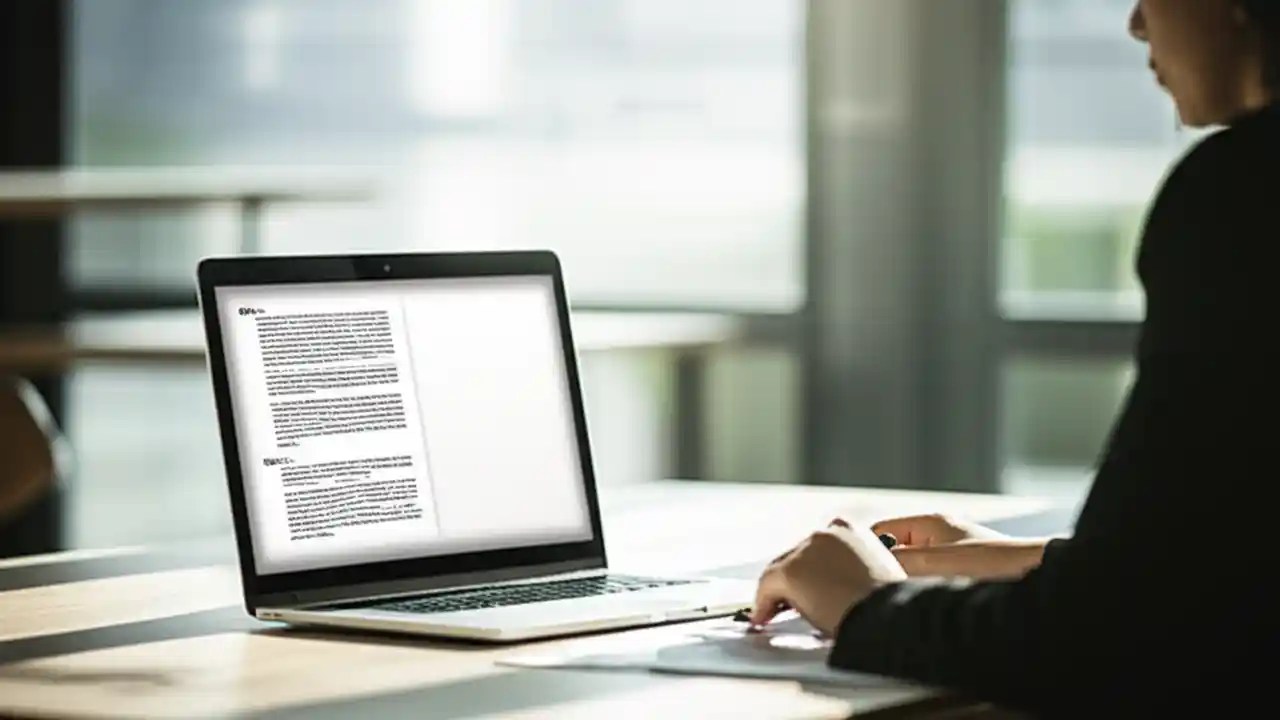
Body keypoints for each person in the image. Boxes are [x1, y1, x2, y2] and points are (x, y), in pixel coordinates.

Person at [750, 0, 1279, 715]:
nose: (1136, 24)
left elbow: (1091, 645)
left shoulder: (1241, 198)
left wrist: (866, 604)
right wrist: (1042, 561)